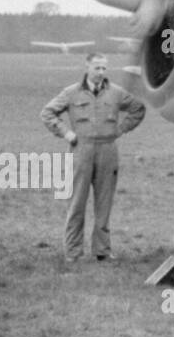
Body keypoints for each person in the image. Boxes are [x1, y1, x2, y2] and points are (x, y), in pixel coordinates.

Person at [40, 52, 146, 263]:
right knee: (76, 203)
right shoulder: (71, 93)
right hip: (81, 150)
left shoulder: (116, 93)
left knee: (104, 203)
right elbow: (47, 113)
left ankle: (102, 251)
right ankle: (73, 252)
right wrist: (66, 133)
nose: (100, 72)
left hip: (108, 150)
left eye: (104, 68)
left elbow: (138, 109)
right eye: (97, 68)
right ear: (87, 67)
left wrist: (121, 129)